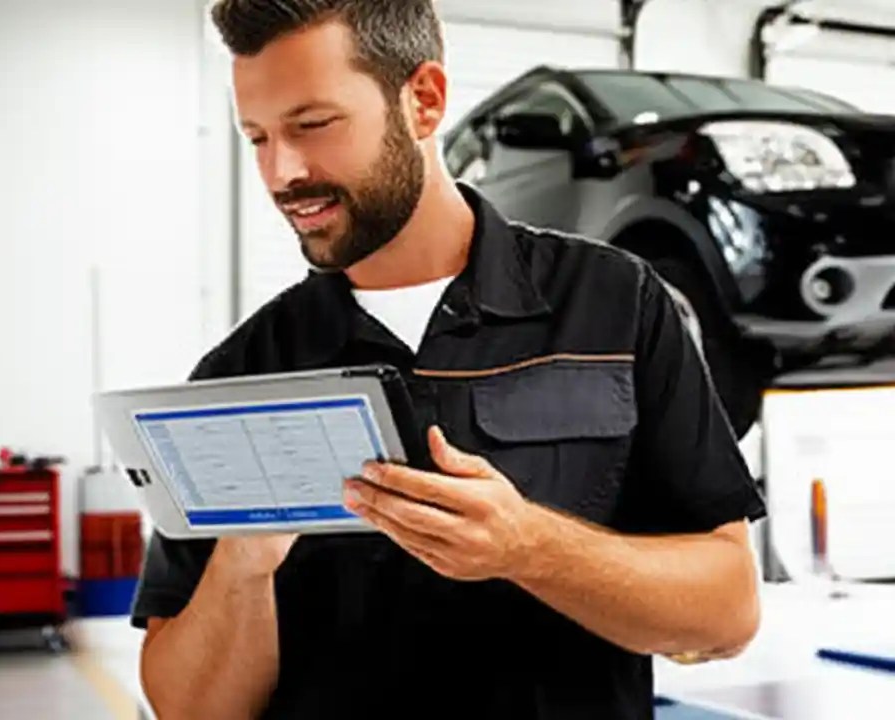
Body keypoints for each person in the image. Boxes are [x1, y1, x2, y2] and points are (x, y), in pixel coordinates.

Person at [132, 1, 767, 718]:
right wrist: (242, 565)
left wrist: (528, 547)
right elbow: (187, 709)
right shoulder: (242, 377)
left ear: (423, 100)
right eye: (258, 138)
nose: (284, 173)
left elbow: (728, 613)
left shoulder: (616, 307)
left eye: (313, 125)